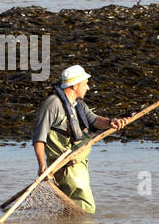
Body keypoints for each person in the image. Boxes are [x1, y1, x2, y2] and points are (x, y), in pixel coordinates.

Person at [31, 65, 125, 213]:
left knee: (72, 211)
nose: (88, 88)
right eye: (85, 83)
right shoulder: (52, 105)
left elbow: (93, 120)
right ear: (75, 86)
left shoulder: (78, 104)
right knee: (85, 210)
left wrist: (110, 122)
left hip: (79, 165)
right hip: (66, 168)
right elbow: (39, 139)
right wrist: (42, 166)